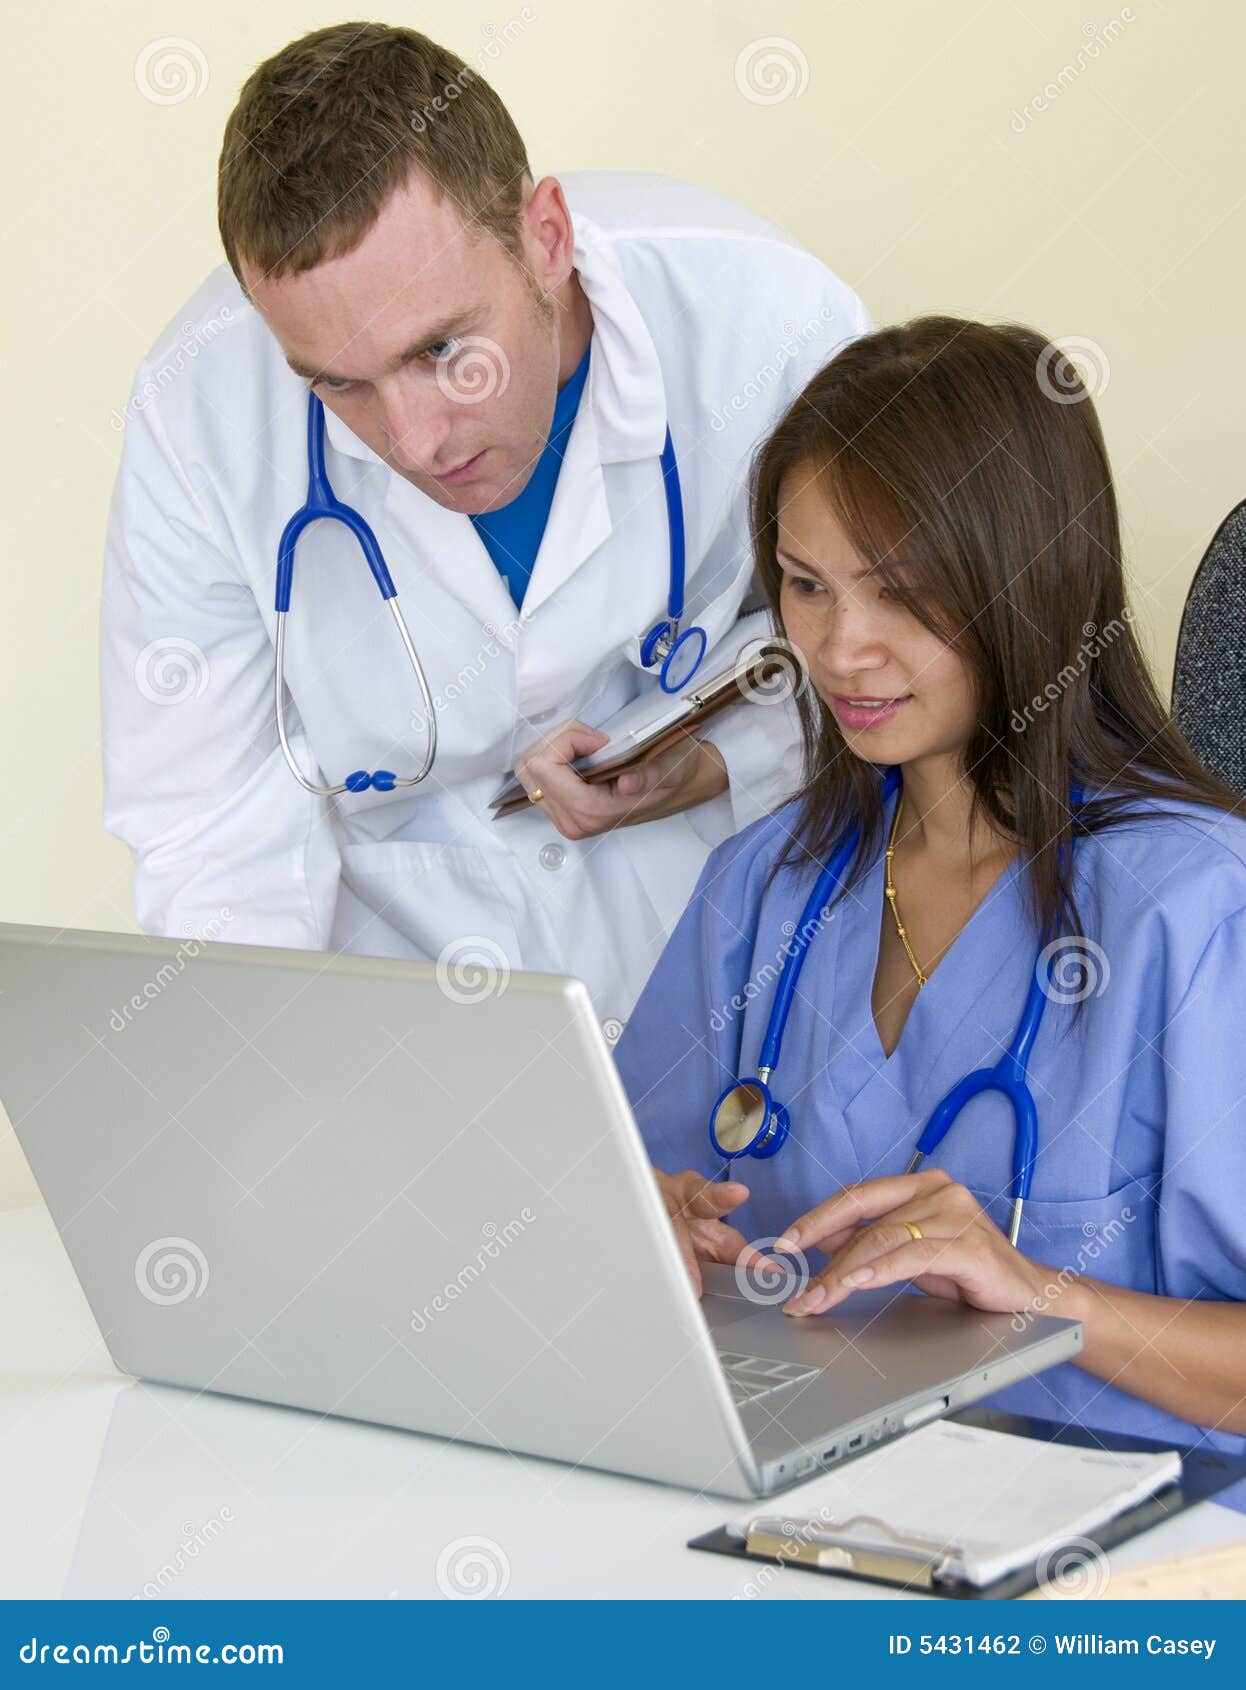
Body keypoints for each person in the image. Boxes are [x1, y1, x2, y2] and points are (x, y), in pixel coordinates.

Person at [99, 22, 870, 1033]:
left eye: (441, 351)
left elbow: (908, 634)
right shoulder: (196, 414)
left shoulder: (765, 321)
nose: (414, 442)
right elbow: (209, 831)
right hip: (401, 984)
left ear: (545, 237)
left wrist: (726, 757)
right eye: (338, 385)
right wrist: (270, 1074)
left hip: (720, 921)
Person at [613, 316, 1246, 1500]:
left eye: (901, 594)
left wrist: (1040, 1294)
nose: (840, 650)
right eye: (806, 585)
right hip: (804, 1510)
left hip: (1138, 1543)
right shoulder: (762, 888)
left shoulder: (1201, 910)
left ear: (1030, 580)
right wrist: (644, 1219)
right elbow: (633, 1190)